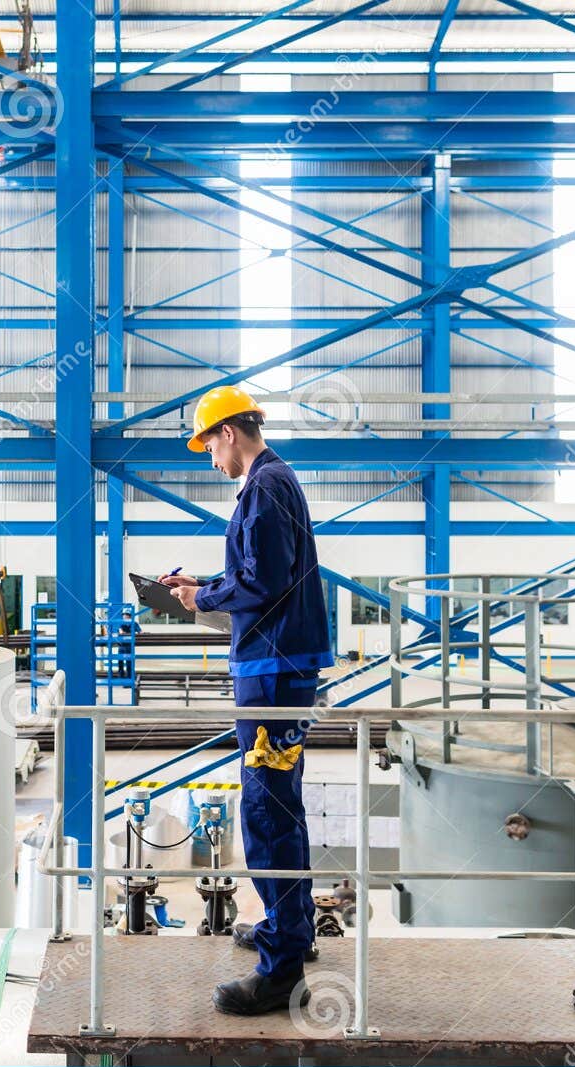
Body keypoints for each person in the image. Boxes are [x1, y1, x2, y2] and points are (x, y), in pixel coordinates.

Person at [162, 384, 334, 1016]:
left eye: (209, 445)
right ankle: (289, 929)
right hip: (277, 665)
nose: (210, 459)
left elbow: (263, 581)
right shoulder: (272, 483)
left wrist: (203, 599)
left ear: (229, 433)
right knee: (280, 807)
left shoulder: (264, 487)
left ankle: (282, 971)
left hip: (273, 672)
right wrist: (205, 585)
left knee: (266, 813)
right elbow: (264, 574)